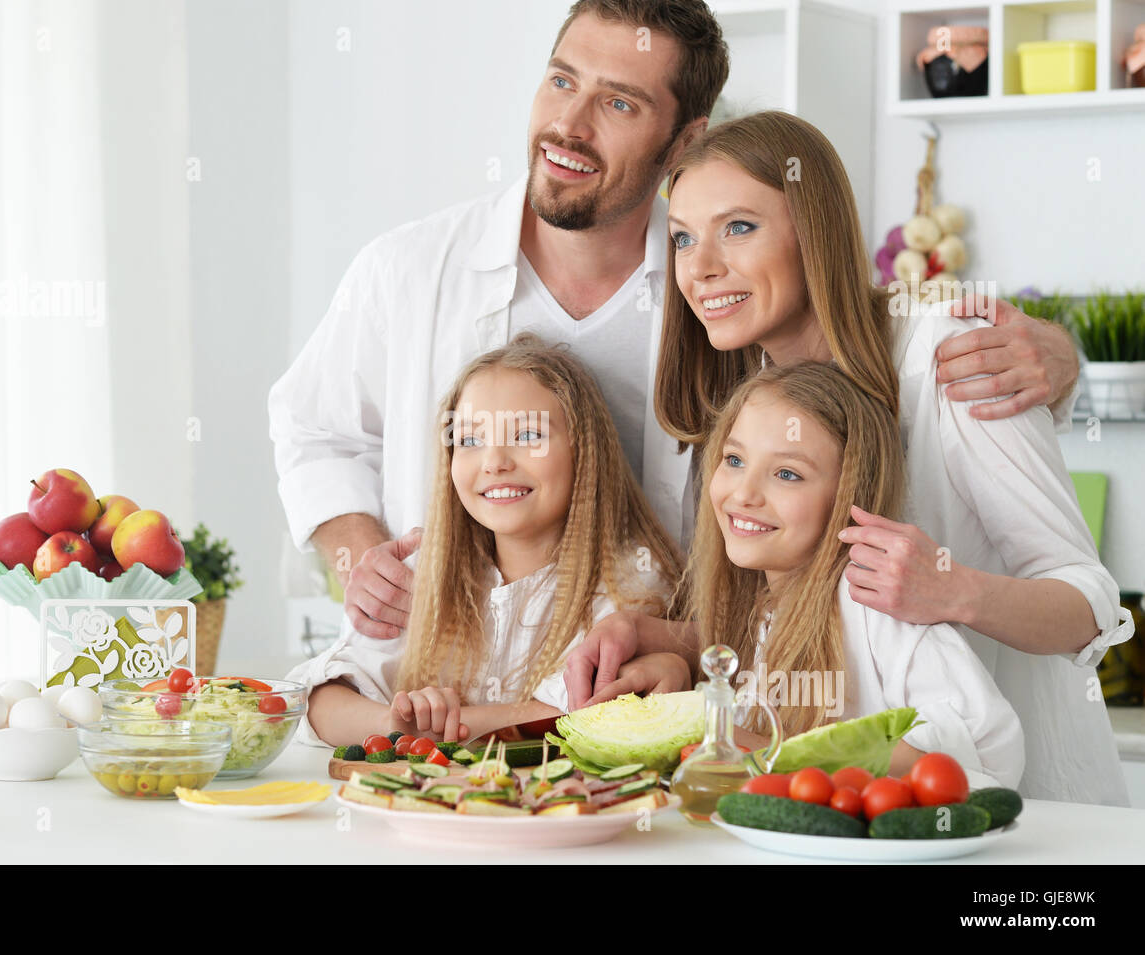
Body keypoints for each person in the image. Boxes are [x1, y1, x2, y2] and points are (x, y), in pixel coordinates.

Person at [268, 1, 1079, 645]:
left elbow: (857, 332)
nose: (569, 127)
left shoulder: (725, 303)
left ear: (685, 138)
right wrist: (358, 559)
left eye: (618, 102)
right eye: (561, 81)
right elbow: (313, 428)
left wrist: (1059, 359)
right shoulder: (407, 270)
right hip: (454, 686)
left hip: (668, 713)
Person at [564, 110, 1131, 804]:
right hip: (857, 815)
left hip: (1030, 812)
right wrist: (677, 641)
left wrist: (954, 590)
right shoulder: (756, 400)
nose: (702, 267)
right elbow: (811, 619)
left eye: (738, 227)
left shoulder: (946, 355)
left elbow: (1089, 604)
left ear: (814, 229)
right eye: (683, 237)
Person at [288, 334, 684, 747]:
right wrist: (397, 723)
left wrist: (443, 730)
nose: (495, 462)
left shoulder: (632, 580)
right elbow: (313, 701)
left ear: (586, 451)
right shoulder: (426, 573)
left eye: (529, 435)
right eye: (471, 440)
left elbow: (579, 720)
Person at [683, 360, 1023, 788]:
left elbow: (984, 748)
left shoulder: (871, 600)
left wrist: (770, 753)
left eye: (787, 474)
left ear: (850, 495)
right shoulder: (759, 611)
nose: (744, 493)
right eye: (734, 459)